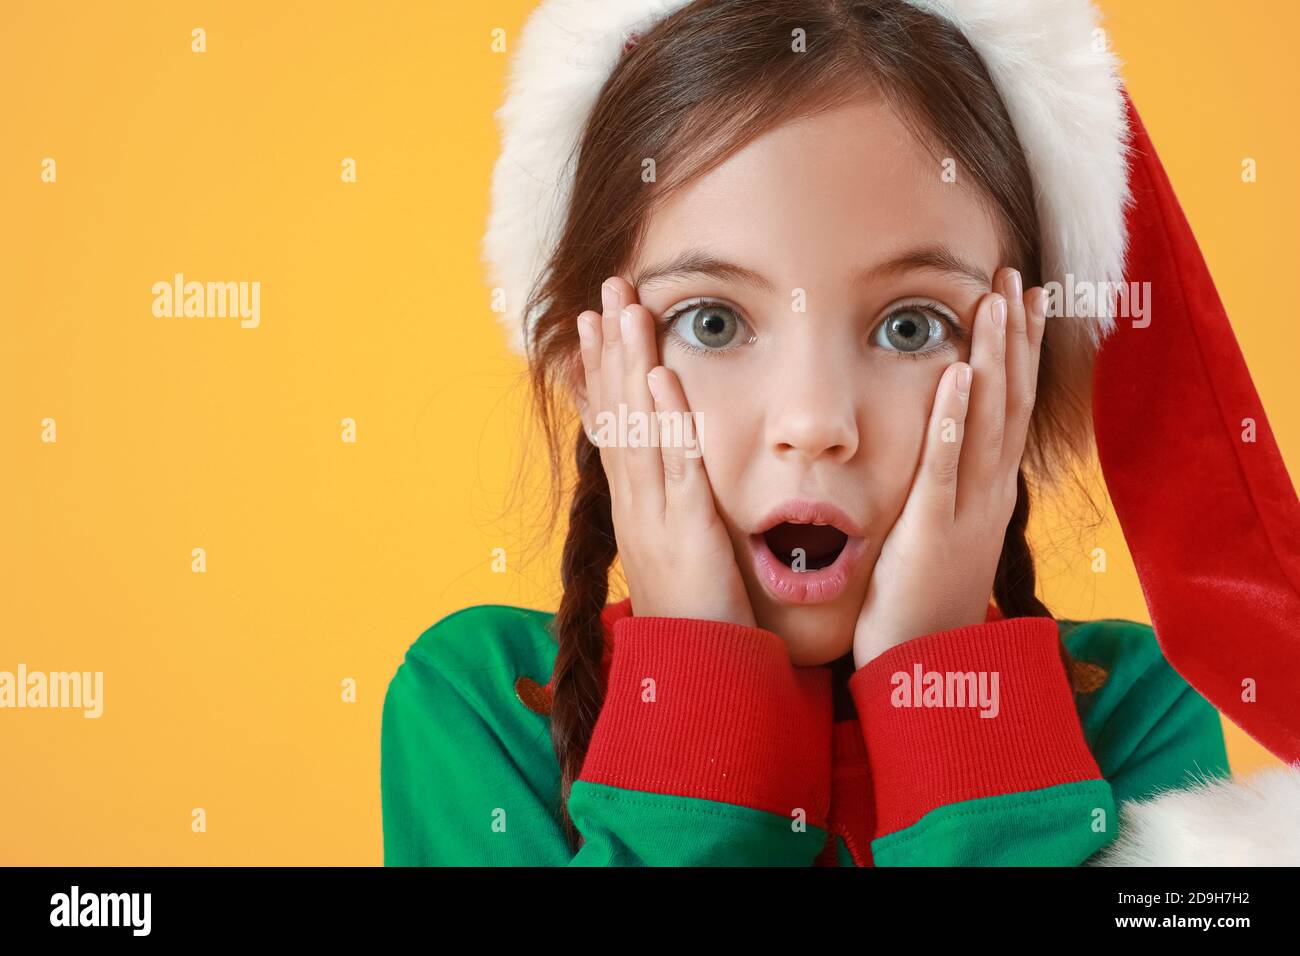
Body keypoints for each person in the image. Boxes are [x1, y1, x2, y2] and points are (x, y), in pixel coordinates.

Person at [382, 0, 1300, 865]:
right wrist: (697, 685)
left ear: (1020, 368)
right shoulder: (479, 706)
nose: (816, 423)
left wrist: (942, 687)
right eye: (710, 321)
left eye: (909, 327)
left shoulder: (1137, 708)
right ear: (593, 376)